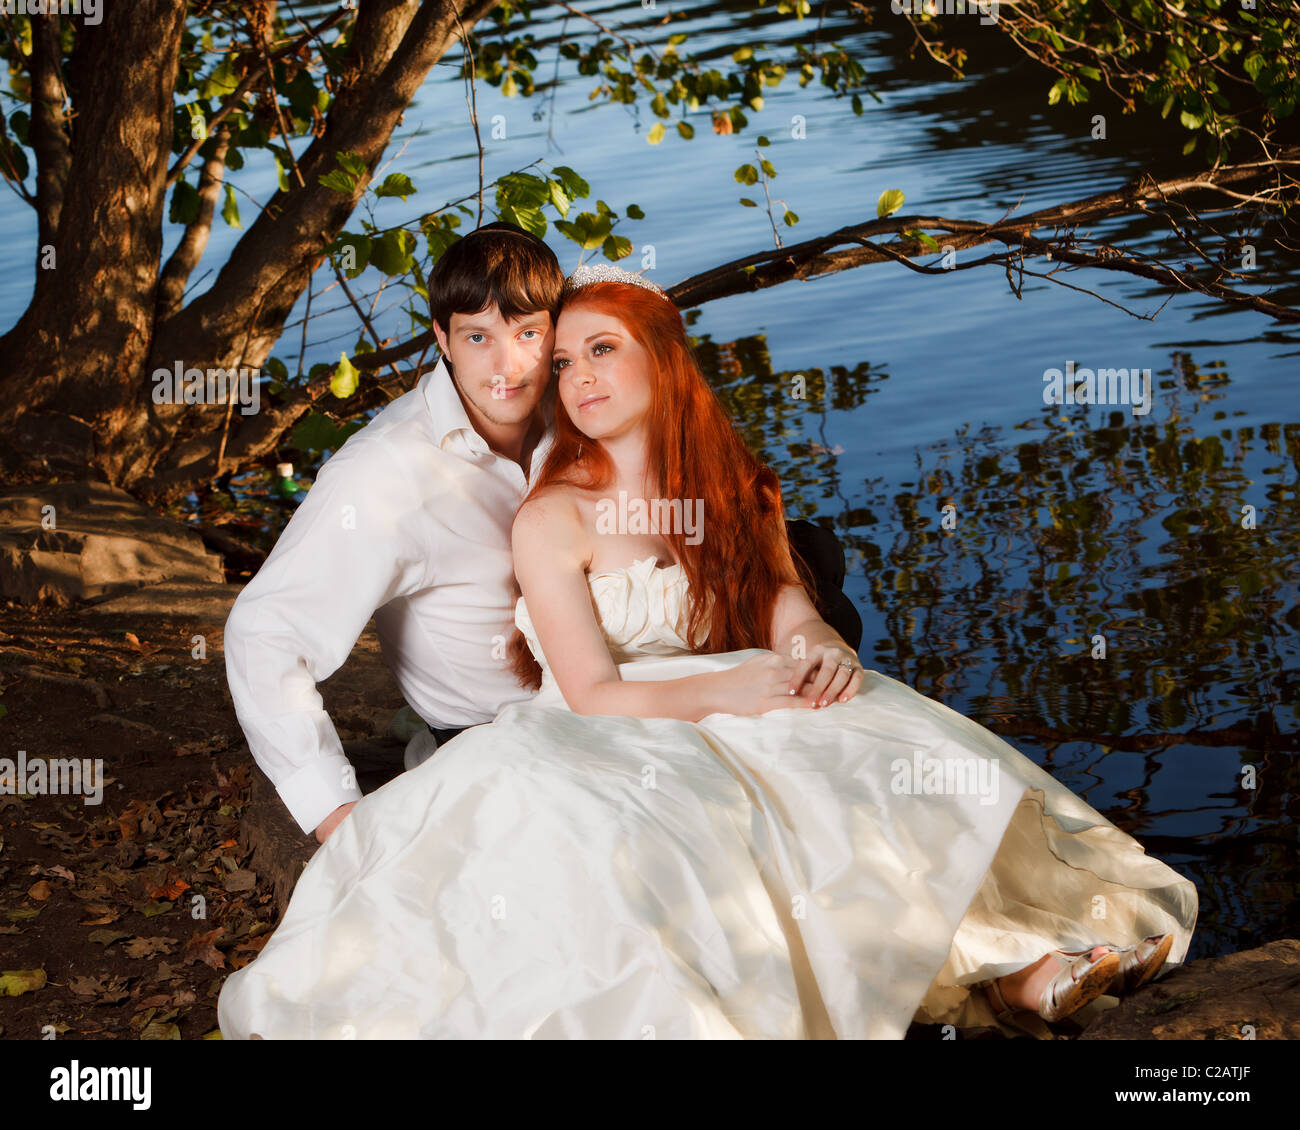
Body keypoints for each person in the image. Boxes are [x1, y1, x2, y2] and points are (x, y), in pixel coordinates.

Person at [217, 264, 1197, 1040]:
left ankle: (1023, 965)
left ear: (660, 364)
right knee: (698, 831)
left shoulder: (696, 471)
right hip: (574, 723)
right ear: (443, 341)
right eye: (562, 359)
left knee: (867, 748)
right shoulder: (470, 491)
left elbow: (768, 584)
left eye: (582, 350)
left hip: (705, 685)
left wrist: (808, 635)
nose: (560, 374)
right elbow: (584, 686)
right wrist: (337, 813)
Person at [223, 224, 861, 847]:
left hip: (662, 688)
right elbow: (266, 635)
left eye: (531, 335)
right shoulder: (382, 477)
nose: (509, 367)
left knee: (808, 567)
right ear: (442, 338)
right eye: (478, 337)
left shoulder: (575, 398)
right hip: (514, 737)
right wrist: (338, 818)